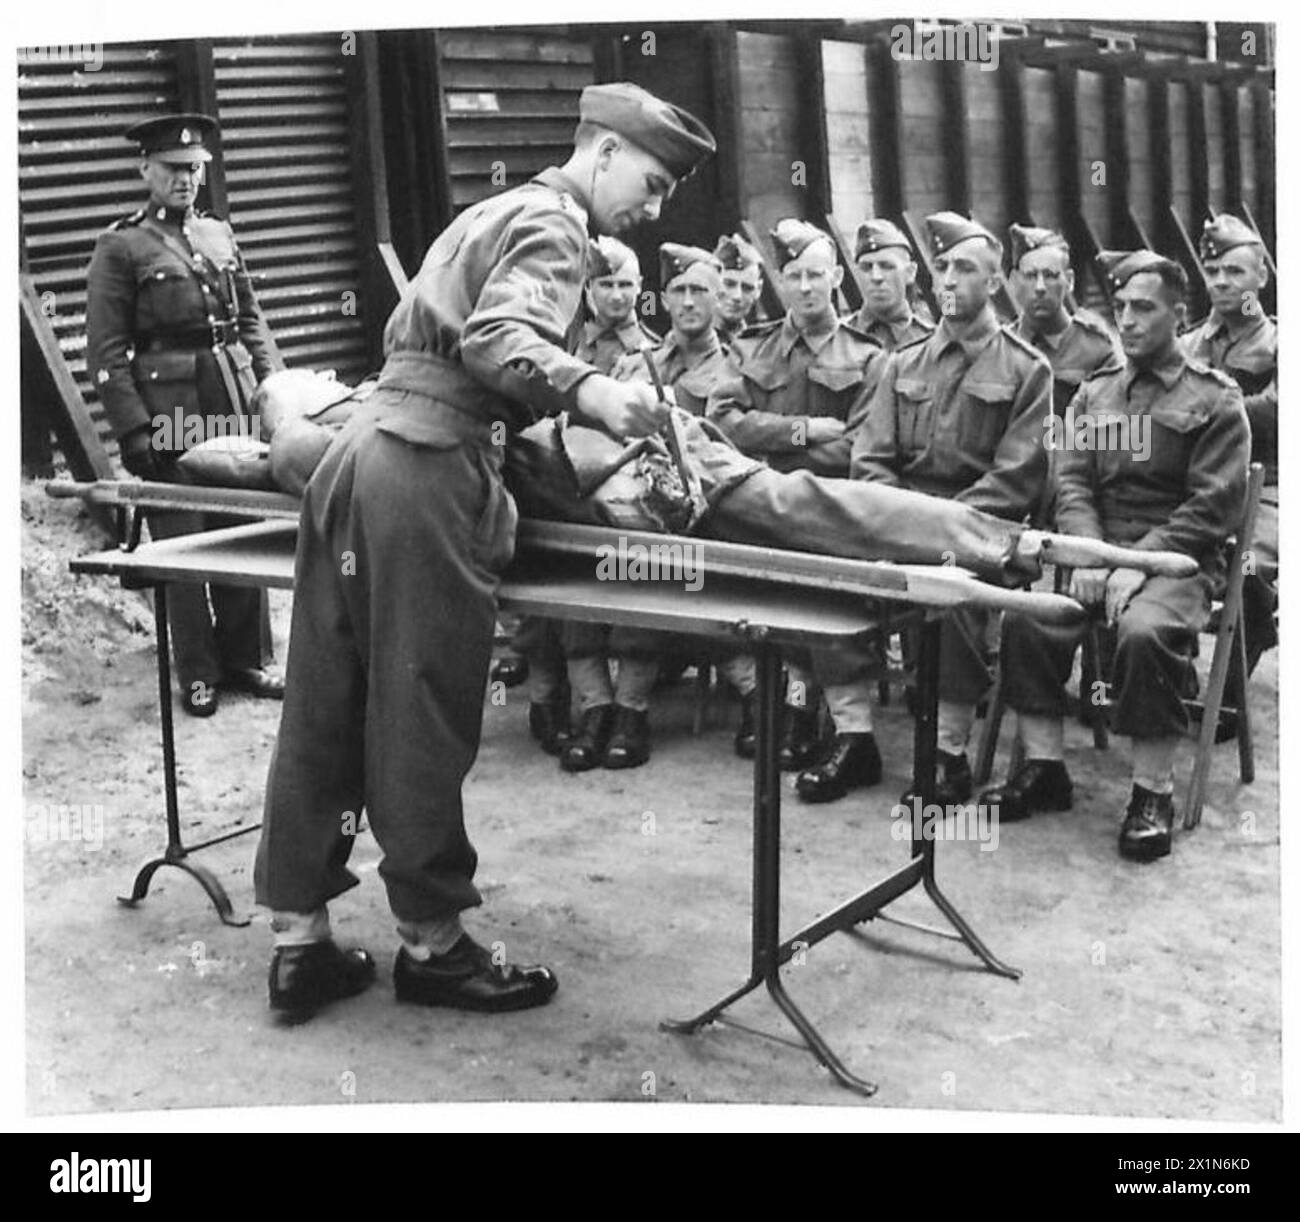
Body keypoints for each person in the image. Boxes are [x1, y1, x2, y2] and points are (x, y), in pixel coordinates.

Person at [254, 82, 715, 1023]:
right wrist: (591, 393)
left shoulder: (490, 208)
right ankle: (433, 946)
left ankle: (299, 941)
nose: (655, 206)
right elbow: (499, 341)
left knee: (324, 697)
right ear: (602, 152)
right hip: (429, 468)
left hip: (355, 456)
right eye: (654, 181)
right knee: (421, 707)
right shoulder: (560, 228)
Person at [978, 251, 1249, 861]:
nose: (1126, 320)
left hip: (1177, 561)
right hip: (1096, 549)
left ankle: (1152, 792)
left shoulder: (1215, 401)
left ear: (1181, 316)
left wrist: (1138, 564)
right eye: (1121, 307)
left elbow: (1213, 509)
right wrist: (1094, 558)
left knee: (1145, 633)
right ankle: (1045, 769)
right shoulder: (1095, 393)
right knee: (1027, 615)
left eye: (1144, 309)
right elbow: (1068, 479)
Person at [85, 112, 286, 718]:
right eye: (173, 170)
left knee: (243, 525)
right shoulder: (122, 247)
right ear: (145, 168)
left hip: (229, 397)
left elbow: (250, 318)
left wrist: (273, 383)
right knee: (182, 539)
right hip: (170, 409)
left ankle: (247, 658)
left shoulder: (220, 235)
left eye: (194, 170)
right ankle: (197, 673)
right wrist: (133, 429)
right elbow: (106, 350)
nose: (186, 181)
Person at [849, 211, 1051, 808]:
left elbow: (1017, 477)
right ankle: (849, 733)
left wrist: (942, 529)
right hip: (902, 519)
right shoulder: (900, 363)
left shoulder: (1026, 369)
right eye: (941, 268)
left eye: (964, 268)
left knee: (954, 593)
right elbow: (871, 459)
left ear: (994, 283)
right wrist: (904, 520)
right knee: (828, 574)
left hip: (981, 528)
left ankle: (948, 753)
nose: (948, 281)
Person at [707, 219, 883, 773]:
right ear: (779, 282)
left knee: (825, 597)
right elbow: (722, 425)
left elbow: (861, 447)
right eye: (794, 277)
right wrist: (804, 433)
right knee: (750, 592)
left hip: (833, 507)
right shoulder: (751, 348)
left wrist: (771, 445)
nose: (805, 288)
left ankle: (841, 727)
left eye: (815, 275)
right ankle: (787, 708)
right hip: (762, 506)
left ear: (835, 277)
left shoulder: (868, 355)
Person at [604, 242, 760, 759]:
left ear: (720, 297)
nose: (689, 302)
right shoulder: (634, 366)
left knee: (685, 568)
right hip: (649, 516)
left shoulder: (745, 364)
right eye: (678, 291)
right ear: (663, 300)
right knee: (640, 560)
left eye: (700, 290)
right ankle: (628, 712)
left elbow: (748, 446)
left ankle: (756, 696)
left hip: (720, 513)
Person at [1180, 214, 1278, 676]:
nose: (1221, 281)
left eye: (1234, 271)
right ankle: (1165, 663)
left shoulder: (1281, 342)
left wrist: (1201, 414)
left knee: (1251, 566)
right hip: (1194, 485)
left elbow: (1278, 413)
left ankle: (1234, 677)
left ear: (1261, 275)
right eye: (1213, 270)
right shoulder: (1183, 345)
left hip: (1268, 490)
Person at [850, 217, 935, 351]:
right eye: (866, 267)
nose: (876, 277)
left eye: (887, 266)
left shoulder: (932, 342)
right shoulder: (838, 339)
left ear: (910, 272)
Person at [712, 231, 765, 358]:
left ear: (758, 290)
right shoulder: (687, 341)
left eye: (747, 288)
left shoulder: (763, 349)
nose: (737, 296)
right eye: (729, 284)